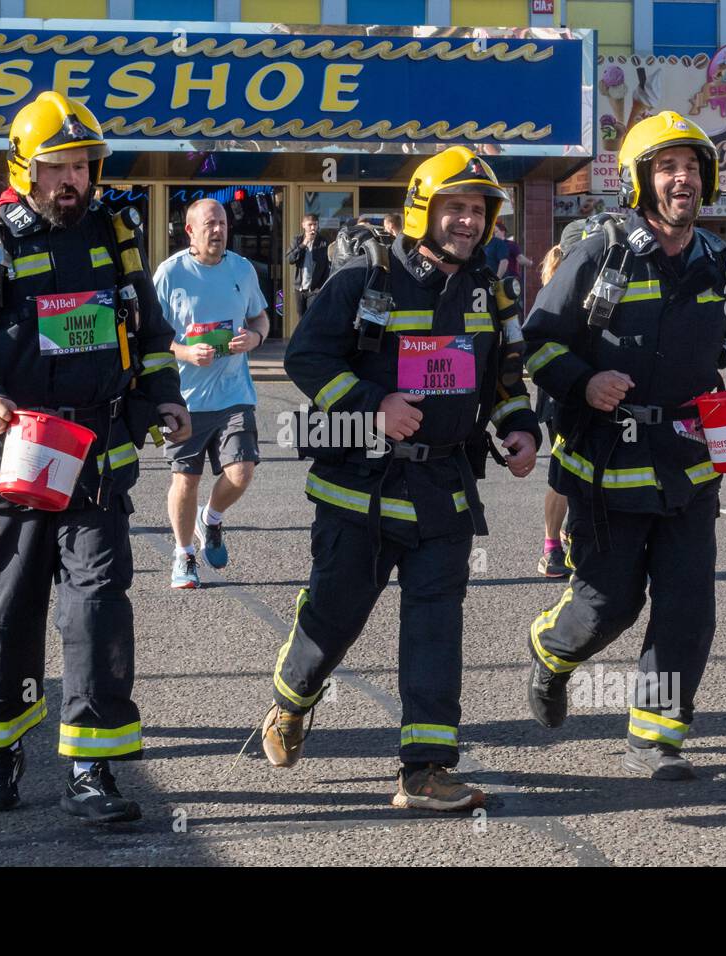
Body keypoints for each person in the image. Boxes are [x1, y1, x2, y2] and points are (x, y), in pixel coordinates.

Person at [0, 91, 188, 820]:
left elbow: (152, 337)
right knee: (9, 612)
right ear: (26, 170)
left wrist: (164, 397)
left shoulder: (116, 239)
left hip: (95, 459)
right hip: (12, 462)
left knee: (96, 608)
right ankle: (4, 746)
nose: (73, 181)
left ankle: (91, 768)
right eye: (58, 167)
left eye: (83, 167)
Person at [261, 146, 541, 811]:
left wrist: (518, 427)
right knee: (333, 620)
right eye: (455, 207)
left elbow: (504, 377)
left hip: (443, 488)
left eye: (477, 210)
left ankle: (425, 771)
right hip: (360, 488)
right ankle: (293, 697)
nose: (468, 221)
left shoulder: (489, 288)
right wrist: (372, 405)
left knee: (435, 624)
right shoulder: (366, 276)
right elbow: (306, 355)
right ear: (423, 209)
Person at [521, 112, 726, 779]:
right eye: (667, 167)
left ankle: (655, 738)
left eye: (692, 167)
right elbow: (540, 341)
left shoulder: (724, 263)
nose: (682, 179)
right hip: (606, 461)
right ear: (641, 179)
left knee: (688, 603)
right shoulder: (597, 249)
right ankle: (552, 650)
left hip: (691, 460)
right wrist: (586, 379)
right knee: (609, 604)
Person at [156, 198, 269, 588]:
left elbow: (260, 316)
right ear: (190, 230)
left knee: (242, 472)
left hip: (234, 392)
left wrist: (254, 336)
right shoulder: (170, 274)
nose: (218, 230)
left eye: (222, 223)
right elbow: (154, 337)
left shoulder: (242, 268)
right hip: (185, 398)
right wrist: (186, 351)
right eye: (209, 225)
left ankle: (213, 518)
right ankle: (184, 555)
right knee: (185, 480)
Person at [535, 243, 569, 578]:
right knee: (562, 473)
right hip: (560, 398)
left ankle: (569, 537)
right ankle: (551, 548)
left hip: (588, 396)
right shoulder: (554, 297)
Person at [285, 212, 329, 323]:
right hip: (299, 288)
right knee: (301, 317)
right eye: (310, 224)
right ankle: (302, 340)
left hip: (315, 288)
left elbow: (327, 266)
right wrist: (304, 244)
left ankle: (312, 340)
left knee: (312, 318)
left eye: (315, 224)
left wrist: (322, 287)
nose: (313, 227)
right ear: (303, 225)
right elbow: (290, 259)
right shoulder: (297, 240)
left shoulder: (323, 242)